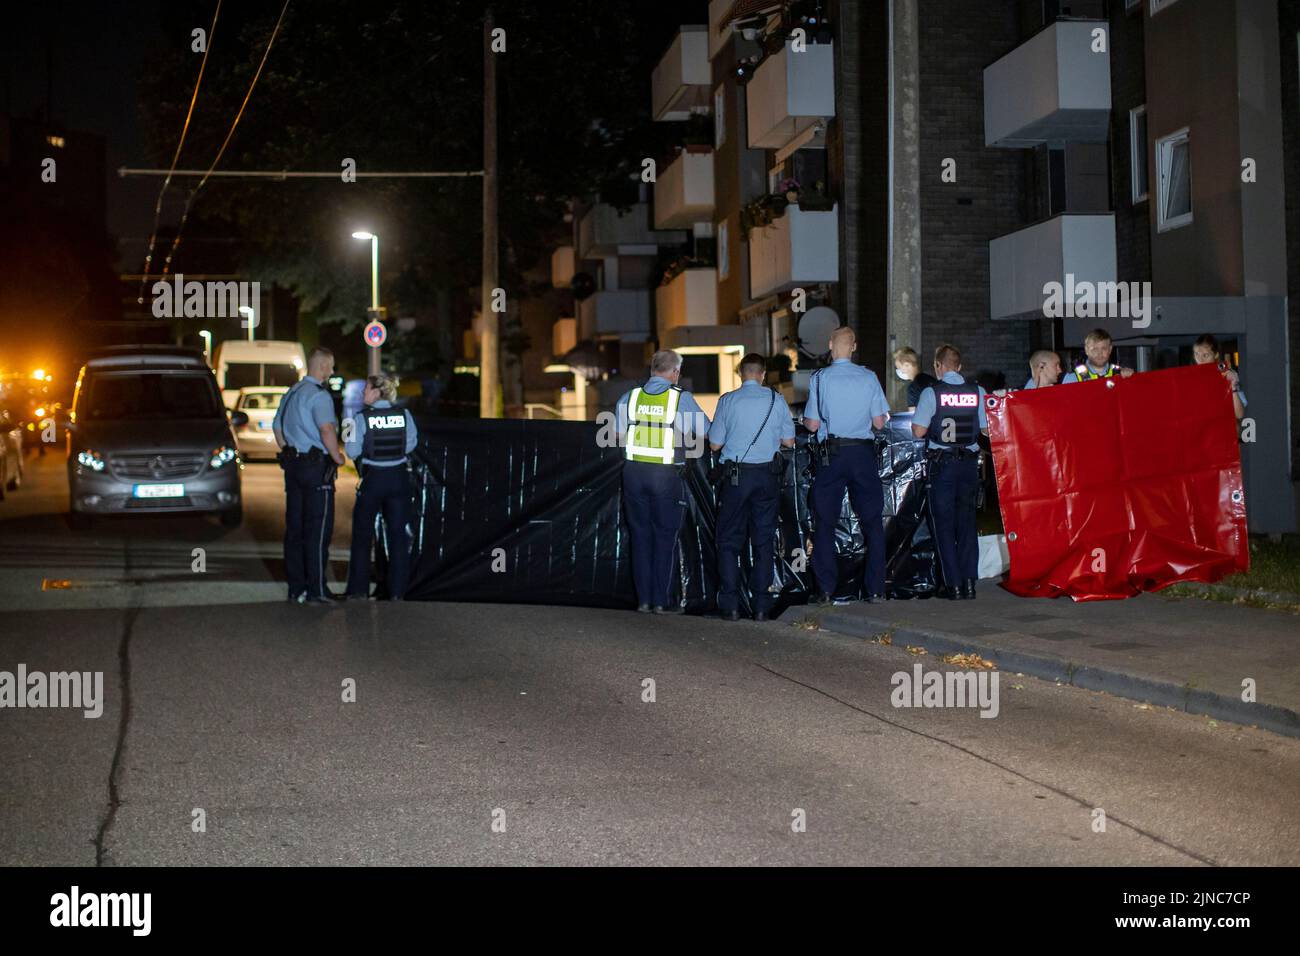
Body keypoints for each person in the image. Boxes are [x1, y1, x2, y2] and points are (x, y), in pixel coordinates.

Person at [616, 350, 710, 614]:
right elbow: (707, 431)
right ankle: (660, 601)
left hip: (633, 473)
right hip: (665, 477)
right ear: (676, 372)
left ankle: (643, 601)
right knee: (665, 537)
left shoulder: (630, 397)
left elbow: (617, 433)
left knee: (640, 536)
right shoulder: (681, 399)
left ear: (651, 370)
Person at [804, 327, 890, 605]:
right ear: (853, 347)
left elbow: (813, 424)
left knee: (825, 522)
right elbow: (879, 423)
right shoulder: (868, 377)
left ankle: (826, 589)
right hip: (863, 455)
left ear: (830, 345)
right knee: (872, 523)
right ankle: (876, 589)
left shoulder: (820, 378)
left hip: (833, 455)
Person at [708, 353, 796, 622]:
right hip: (766, 478)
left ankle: (731, 605)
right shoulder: (776, 400)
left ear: (740, 373)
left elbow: (714, 444)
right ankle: (761, 606)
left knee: (728, 541)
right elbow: (789, 441)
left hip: (736, 478)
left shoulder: (727, 401)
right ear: (763, 373)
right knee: (763, 541)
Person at [912, 344, 987, 601]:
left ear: (938, 366)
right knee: (967, 524)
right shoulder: (977, 392)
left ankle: (952, 586)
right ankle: (969, 584)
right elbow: (987, 431)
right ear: (960, 366)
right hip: (968, 465)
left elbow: (919, 431)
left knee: (943, 526)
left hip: (942, 466)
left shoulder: (931, 393)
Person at [273, 346, 346, 605]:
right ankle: (317, 590)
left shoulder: (292, 392)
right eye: (331, 366)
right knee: (317, 529)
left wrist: (288, 450)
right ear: (323, 367)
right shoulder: (319, 396)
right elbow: (326, 429)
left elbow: (277, 426)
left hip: (293, 467)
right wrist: (337, 456)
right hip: (316, 470)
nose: (333, 371)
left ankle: (296, 589)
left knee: (295, 529)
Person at [343, 373, 419, 601]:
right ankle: (397, 591)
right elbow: (411, 444)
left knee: (362, 535)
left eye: (366, 389)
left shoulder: (360, 418)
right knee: (397, 537)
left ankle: (358, 590)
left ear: (377, 392)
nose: (363, 393)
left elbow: (351, 451)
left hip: (373, 478)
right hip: (398, 479)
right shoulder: (404, 415)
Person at [1192, 334, 1247, 420]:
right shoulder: (1190, 378)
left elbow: (1239, 414)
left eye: (1205, 355)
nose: (1200, 360)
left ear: (1216, 355)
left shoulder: (1226, 373)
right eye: (1196, 354)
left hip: (1220, 428)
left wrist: (1233, 386)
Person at [1062, 328, 1135, 383]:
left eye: (1104, 348)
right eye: (1095, 349)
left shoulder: (1122, 374)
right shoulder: (1072, 378)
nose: (1099, 353)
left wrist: (1132, 378)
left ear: (1110, 349)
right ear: (1086, 350)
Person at [893, 346, 937, 412]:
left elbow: (913, 416)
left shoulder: (912, 388)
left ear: (907, 365)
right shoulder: (932, 380)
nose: (900, 371)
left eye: (899, 368)